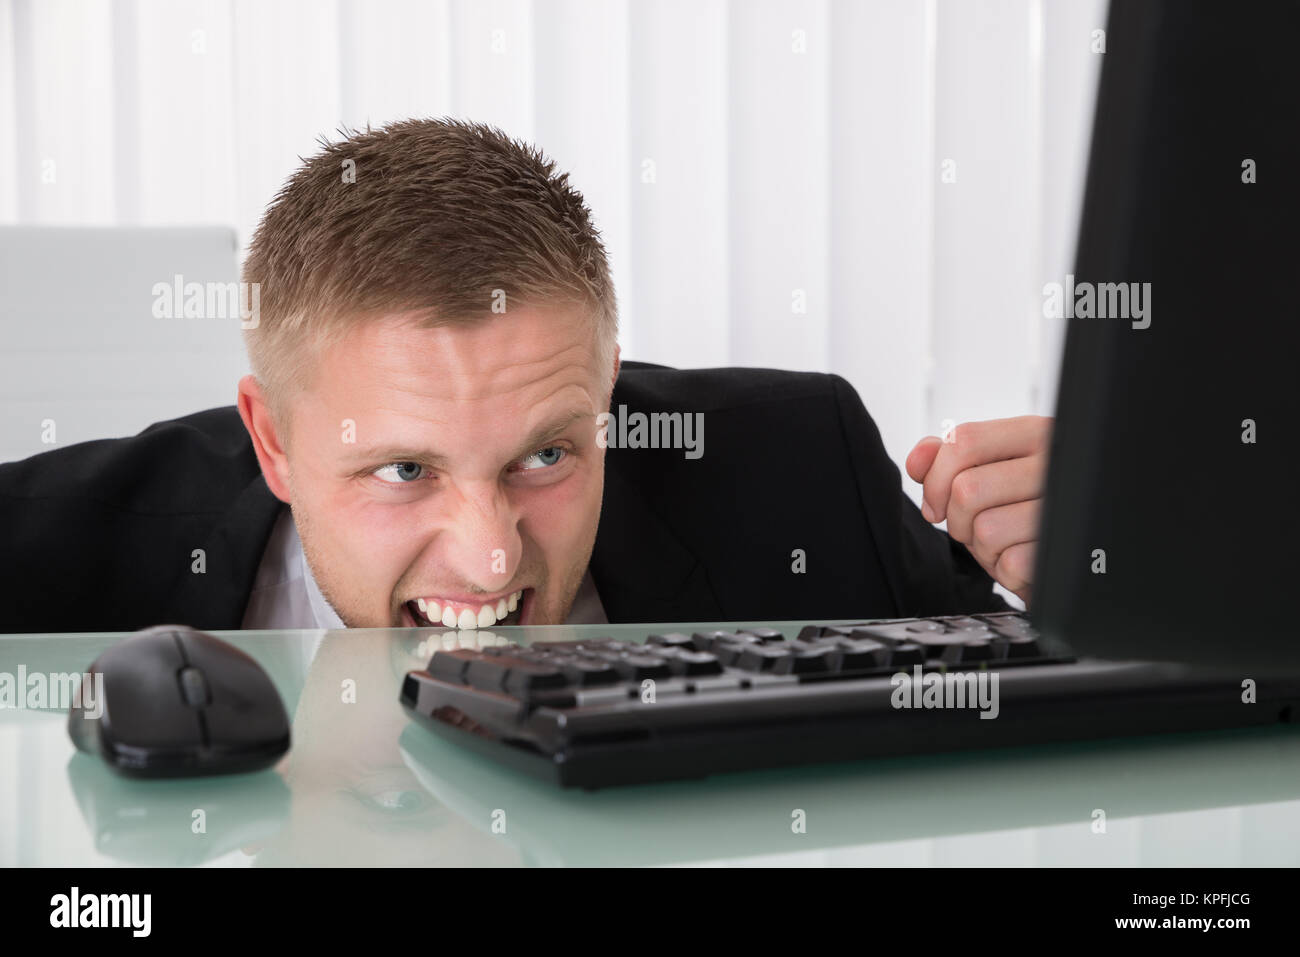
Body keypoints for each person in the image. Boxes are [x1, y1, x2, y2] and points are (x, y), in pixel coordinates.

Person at [0, 118, 1050, 634]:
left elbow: (1035, 721)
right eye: (405, 470)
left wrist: (1109, 578)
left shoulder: (801, 474)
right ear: (272, 440)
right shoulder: (48, 555)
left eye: (549, 452)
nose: (494, 559)